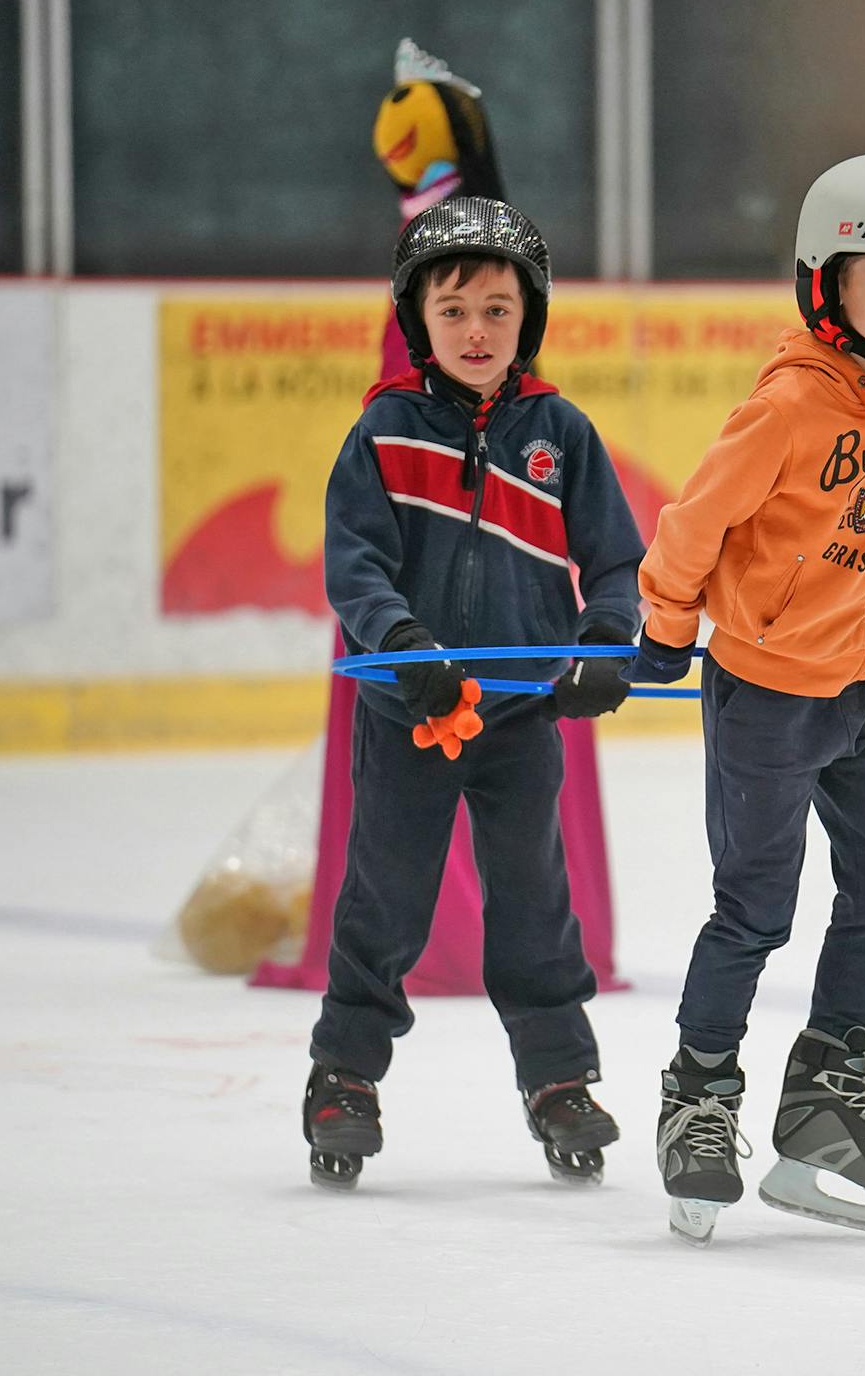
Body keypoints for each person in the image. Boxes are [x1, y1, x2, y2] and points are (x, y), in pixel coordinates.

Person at [626, 154, 865, 1243]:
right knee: (755, 911)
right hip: (767, 693)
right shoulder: (783, 410)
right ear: (826, 286)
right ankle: (700, 1096)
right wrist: (666, 627)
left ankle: (825, 1091)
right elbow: (692, 526)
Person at [302, 196, 644, 1191]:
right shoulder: (383, 433)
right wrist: (405, 644)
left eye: (499, 310)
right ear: (418, 322)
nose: (478, 331)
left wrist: (602, 644)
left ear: (527, 319)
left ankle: (560, 1081)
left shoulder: (561, 433)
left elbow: (616, 564)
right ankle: (344, 1077)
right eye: (454, 312)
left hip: (522, 716)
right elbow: (355, 567)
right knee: (387, 900)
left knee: (536, 902)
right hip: (413, 713)